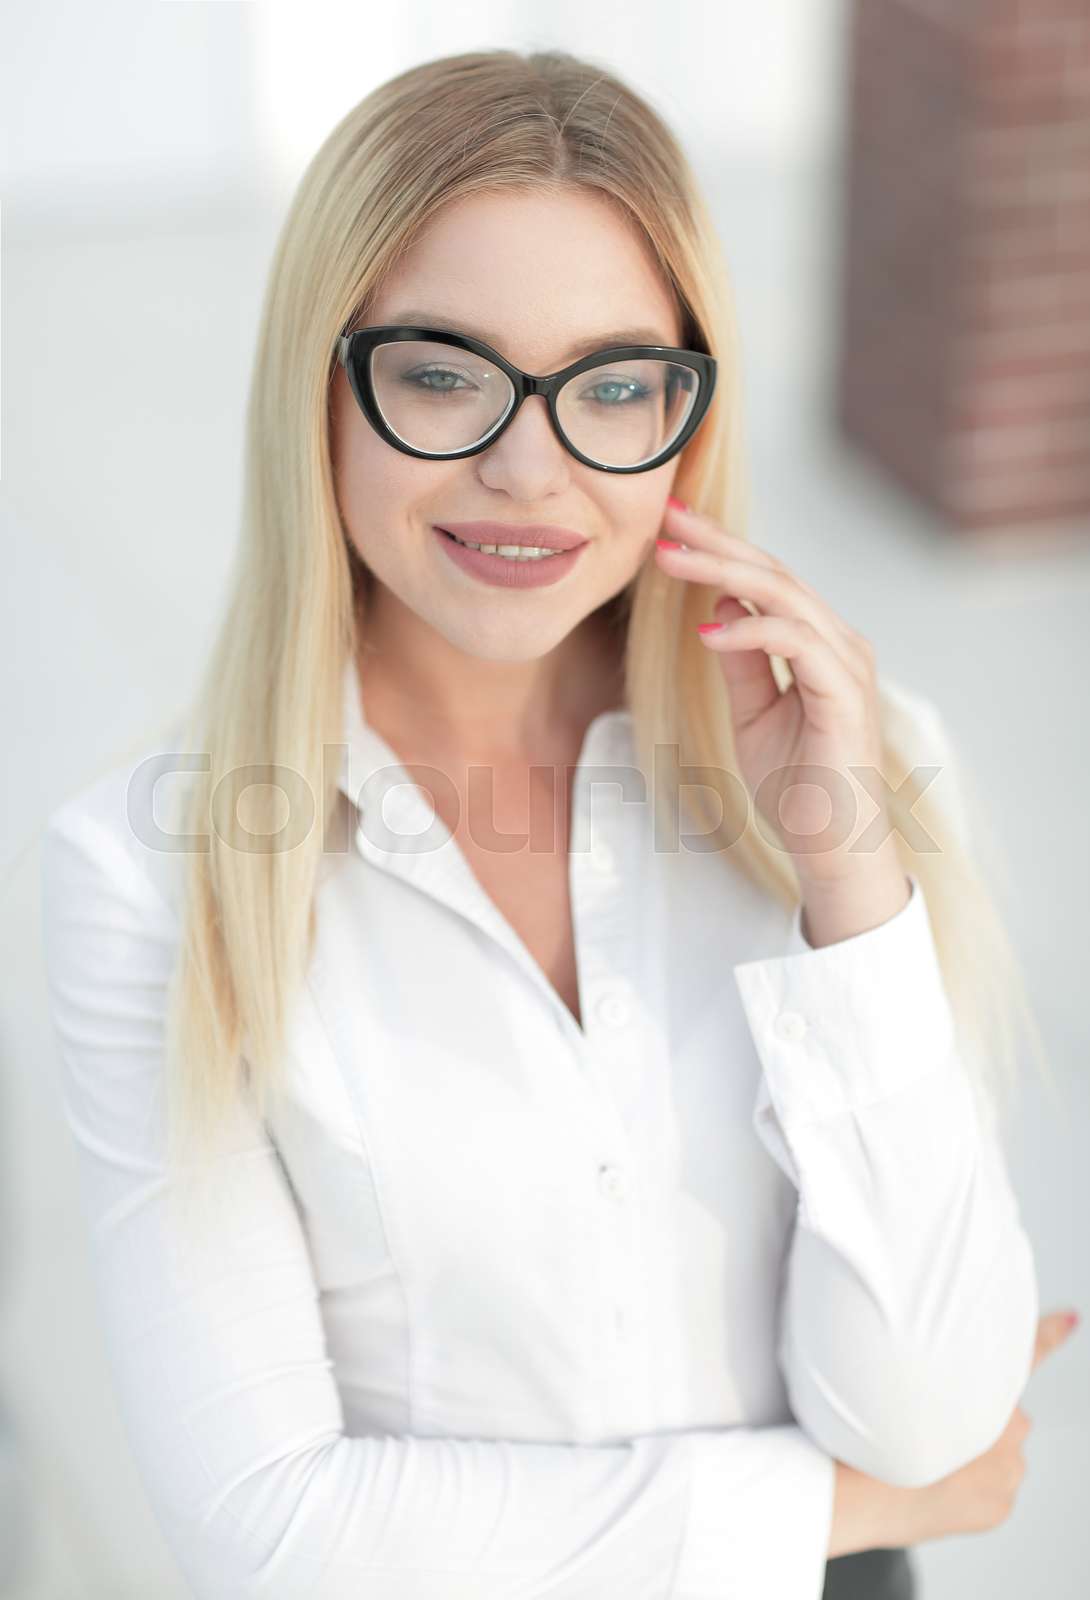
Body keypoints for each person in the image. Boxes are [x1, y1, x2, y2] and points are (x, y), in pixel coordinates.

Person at [39, 48, 1076, 1600]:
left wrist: (849, 882)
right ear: (317, 388)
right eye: (444, 374)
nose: (529, 472)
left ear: (683, 409)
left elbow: (922, 1422)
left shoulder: (858, 764)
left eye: (610, 386)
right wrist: (825, 1513)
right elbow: (268, 1535)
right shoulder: (149, 869)